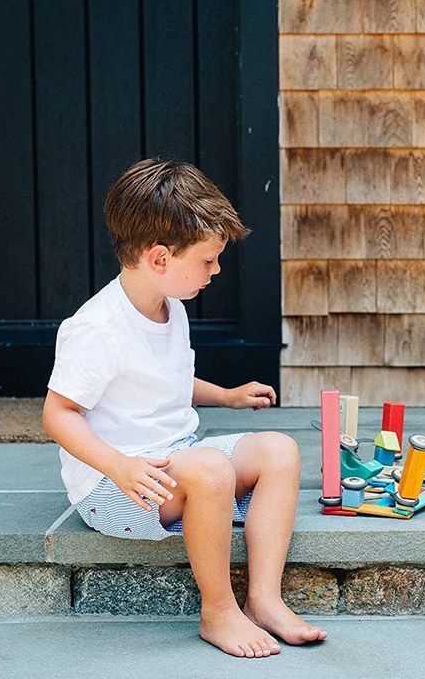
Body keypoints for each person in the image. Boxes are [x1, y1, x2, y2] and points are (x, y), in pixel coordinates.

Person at [42, 158, 326, 658]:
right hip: (117, 485)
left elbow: (167, 380)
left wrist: (226, 396)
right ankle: (217, 611)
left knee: (279, 451)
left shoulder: (170, 306)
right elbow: (58, 413)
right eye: (208, 260)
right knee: (210, 468)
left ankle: (263, 599)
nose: (216, 271)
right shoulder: (96, 328)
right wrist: (120, 465)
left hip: (180, 460)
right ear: (159, 259)